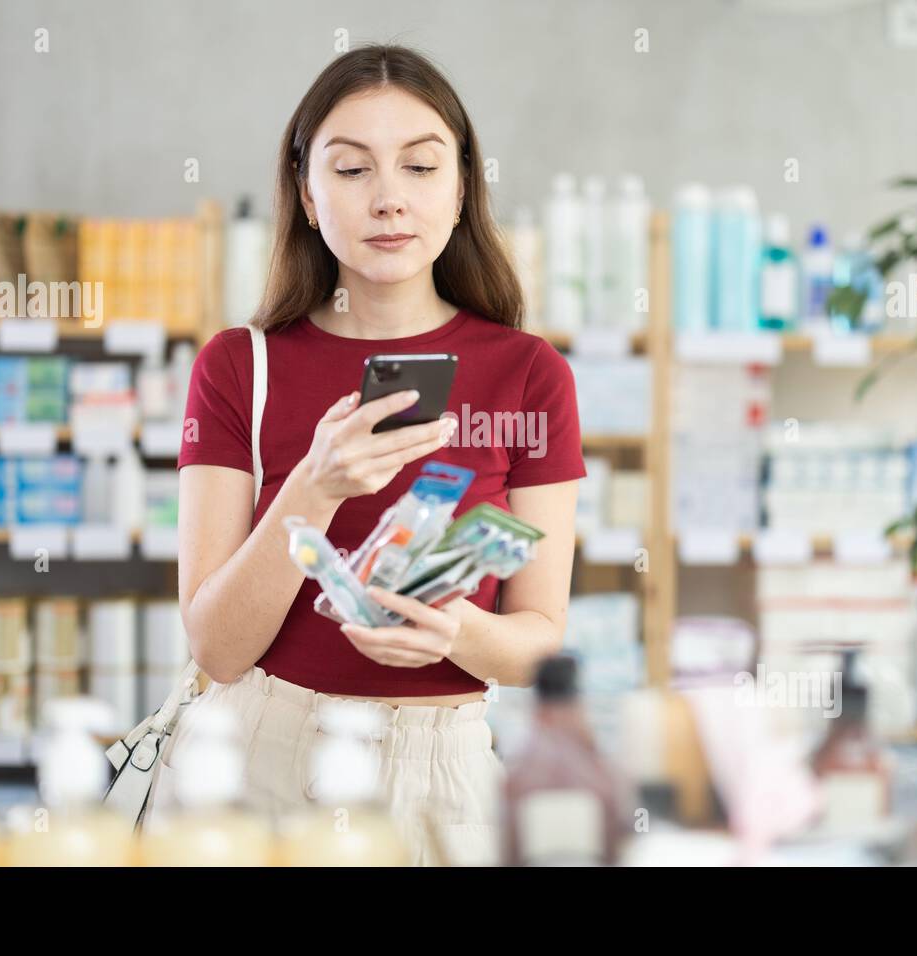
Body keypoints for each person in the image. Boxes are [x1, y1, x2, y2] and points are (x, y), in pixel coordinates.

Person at [146, 43, 587, 866]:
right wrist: (314, 487)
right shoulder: (241, 365)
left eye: (420, 167)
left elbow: (540, 642)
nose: (388, 199)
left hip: (443, 778)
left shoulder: (528, 374)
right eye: (351, 171)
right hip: (263, 765)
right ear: (307, 195)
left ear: (462, 189)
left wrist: (450, 630)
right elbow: (215, 645)